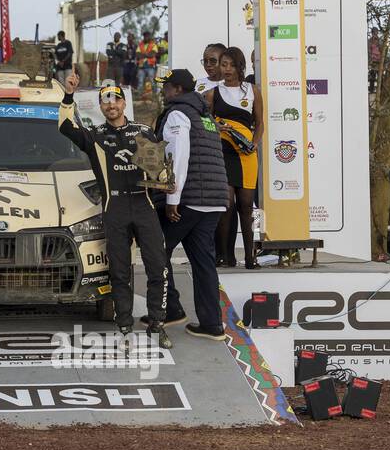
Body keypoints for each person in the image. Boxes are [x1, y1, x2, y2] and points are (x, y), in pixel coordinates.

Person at [58, 71, 171, 347]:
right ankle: (124, 324)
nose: (111, 105)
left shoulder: (142, 131)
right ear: (101, 107)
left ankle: (157, 323)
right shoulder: (95, 136)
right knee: (119, 271)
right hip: (115, 207)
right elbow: (63, 126)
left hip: (143, 206)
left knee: (158, 268)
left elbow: (161, 175)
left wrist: (162, 175)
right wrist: (69, 94)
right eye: (106, 102)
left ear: (123, 104)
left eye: (116, 101)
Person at [147, 69, 230, 339]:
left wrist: (173, 199)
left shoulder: (178, 113)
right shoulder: (205, 116)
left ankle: (169, 310)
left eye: (167, 87)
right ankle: (212, 324)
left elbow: (177, 157)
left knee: (157, 251)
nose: (163, 91)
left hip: (188, 200)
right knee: (203, 262)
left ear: (178, 90)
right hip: (213, 201)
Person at [213, 47, 263, 268]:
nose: (227, 69)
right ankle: (226, 256)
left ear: (240, 66)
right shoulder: (213, 92)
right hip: (223, 152)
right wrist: (215, 125)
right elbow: (206, 122)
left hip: (246, 153)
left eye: (232, 65)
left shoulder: (252, 90)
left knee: (246, 204)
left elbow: (260, 123)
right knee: (227, 204)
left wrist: (254, 143)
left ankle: (251, 257)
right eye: (223, 64)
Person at [136, 30, 159, 96]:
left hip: (150, 66)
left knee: (151, 81)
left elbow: (153, 54)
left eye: (147, 36)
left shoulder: (153, 44)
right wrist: (147, 54)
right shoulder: (140, 44)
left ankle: (155, 95)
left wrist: (143, 54)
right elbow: (137, 54)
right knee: (140, 81)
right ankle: (139, 95)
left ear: (149, 37)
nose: (146, 37)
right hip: (141, 66)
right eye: (144, 36)